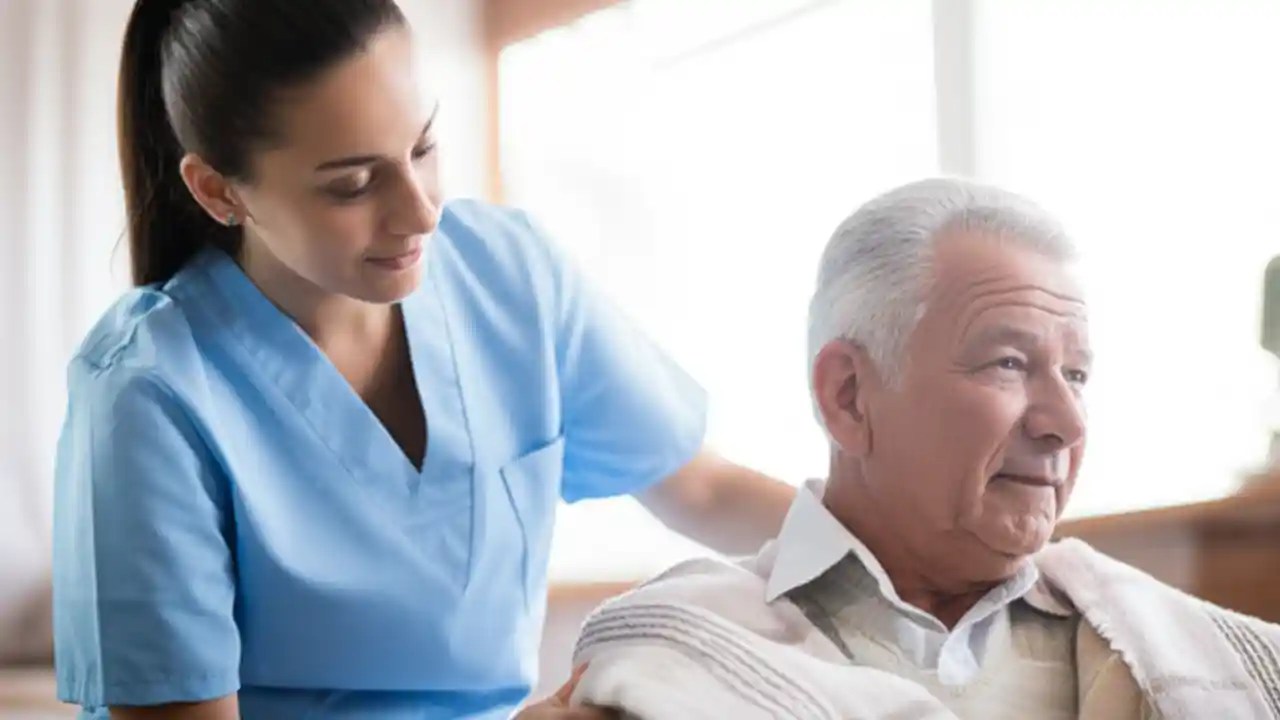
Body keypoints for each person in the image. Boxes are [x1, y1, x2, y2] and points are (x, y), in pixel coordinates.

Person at [50, 1, 796, 718]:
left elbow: (703, 489)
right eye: (353, 183)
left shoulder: (509, 275)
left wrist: (894, 563)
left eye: (424, 148)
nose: (421, 212)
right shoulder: (147, 392)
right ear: (218, 192)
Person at [567, 178, 1280, 719]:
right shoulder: (676, 653)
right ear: (848, 396)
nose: (1065, 419)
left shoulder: (1180, 652)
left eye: (1077, 375)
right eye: (1007, 363)